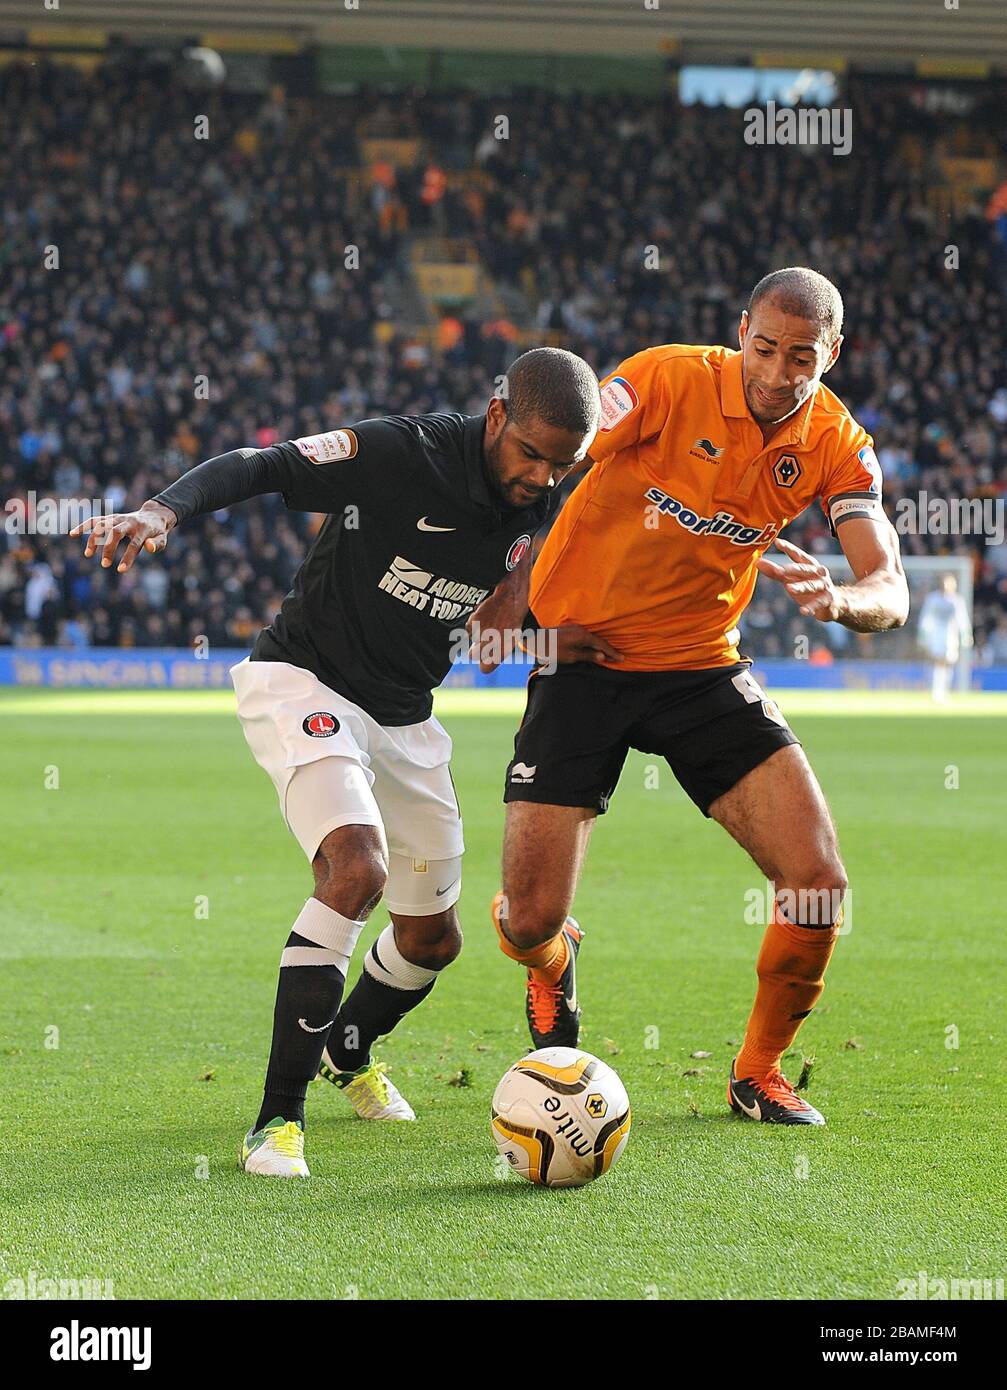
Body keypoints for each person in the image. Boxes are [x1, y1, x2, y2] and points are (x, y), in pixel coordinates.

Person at [70, 347, 609, 1177]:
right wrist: (161, 512)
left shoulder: (541, 500)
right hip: (304, 680)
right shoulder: (405, 451)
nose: (541, 476)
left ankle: (349, 1051)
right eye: (530, 453)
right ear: (496, 414)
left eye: (559, 464)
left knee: (432, 940)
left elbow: (491, 626)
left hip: (405, 716)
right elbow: (262, 464)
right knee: (355, 869)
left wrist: (536, 636)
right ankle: (274, 1123)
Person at [475, 267, 910, 1126]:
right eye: (764, 348)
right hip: (583, 657)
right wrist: (509, 586)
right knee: (527, 919)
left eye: (802, 358)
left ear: (833, 353)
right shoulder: (666, 379)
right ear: (739, 328)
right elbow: (554, 452)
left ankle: (757, 1071)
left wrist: (841, 602)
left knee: (816, 883)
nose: (779, 372)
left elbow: (887, 584)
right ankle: (553, 961)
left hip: (699, 663)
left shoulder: (835, 442)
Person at [918, 573, 972, 701]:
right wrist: (923, 634)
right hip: (936, 635)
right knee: (938, 661)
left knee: (948, 663)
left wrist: (965, 634)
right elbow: (926, 616)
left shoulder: (957, 600)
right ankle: (936, 691)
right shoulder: (933, 598)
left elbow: (962, 619)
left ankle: (944, 690)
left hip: (951, 635)